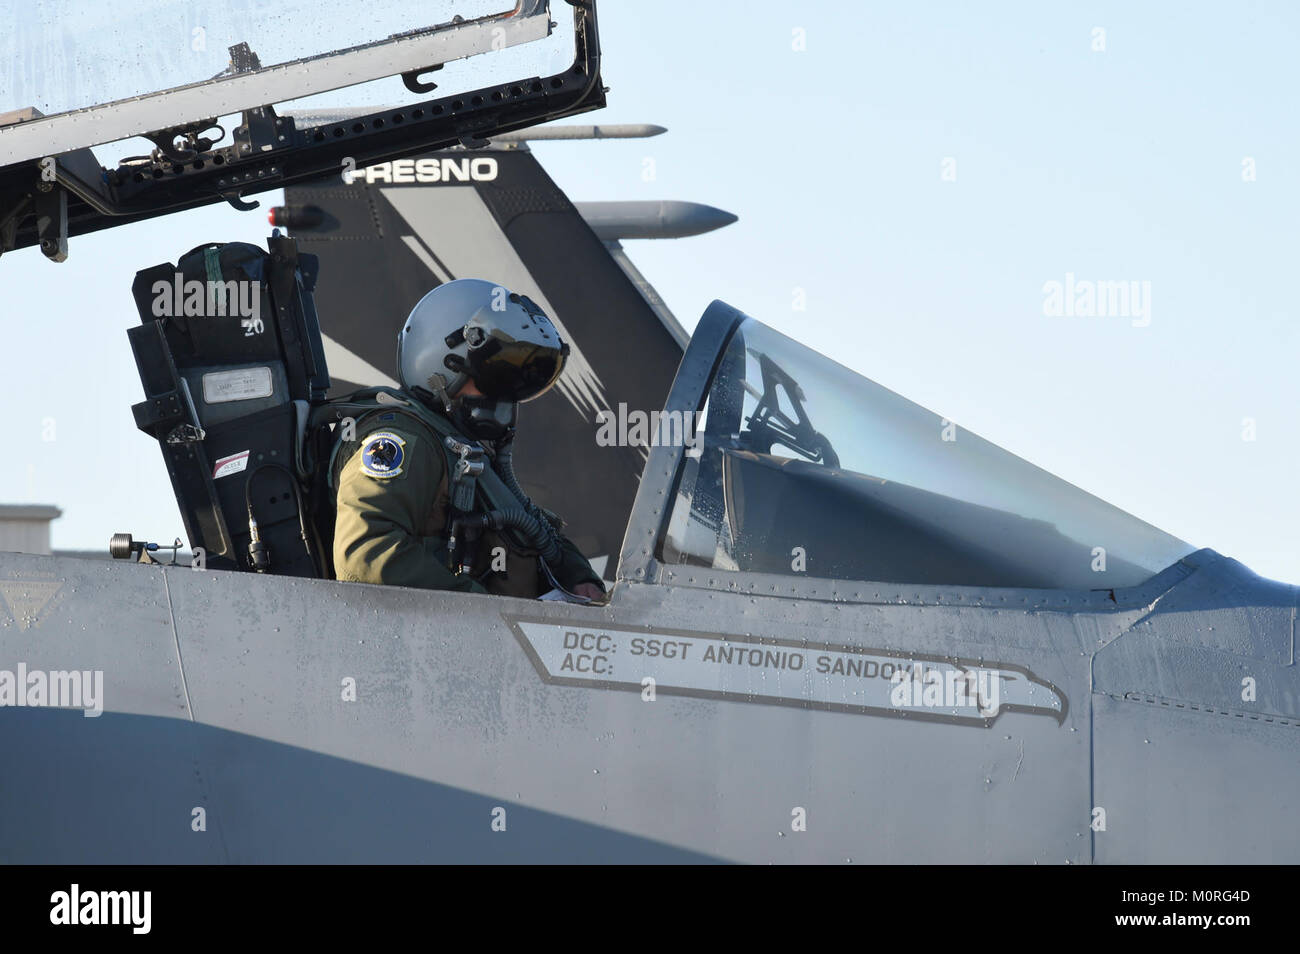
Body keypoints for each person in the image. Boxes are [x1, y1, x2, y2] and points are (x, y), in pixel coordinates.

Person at [329, 279, 606, 601]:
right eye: (495, 376)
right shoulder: (404, 442)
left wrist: (577, 576)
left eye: (514, 382)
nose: (503, 397)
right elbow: (366, 556)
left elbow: (529, 524)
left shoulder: (459, 446)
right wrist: (478, 607)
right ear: (440, 366)